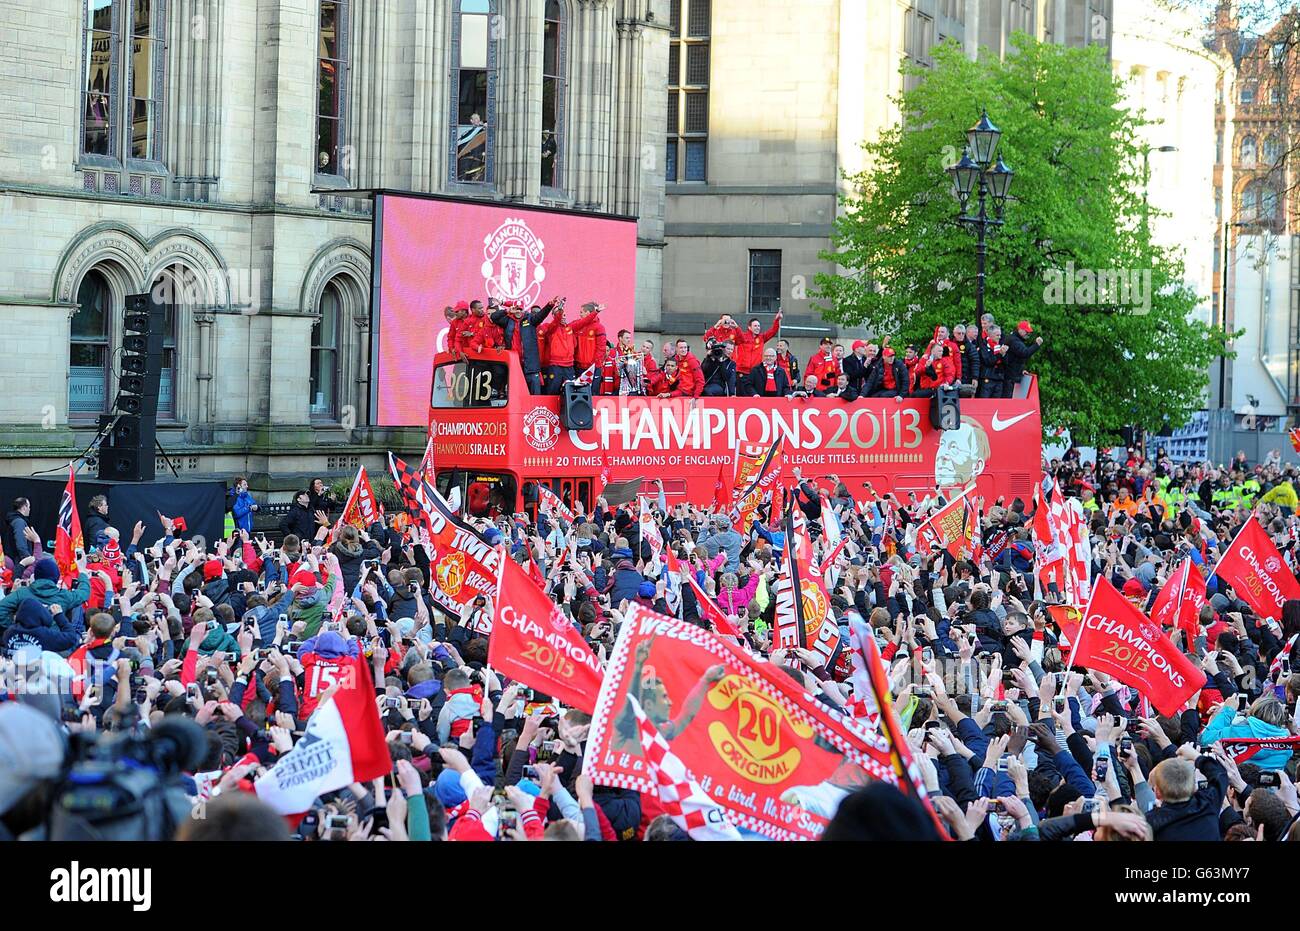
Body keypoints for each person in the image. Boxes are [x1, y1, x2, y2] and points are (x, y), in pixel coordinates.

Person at [492, 298, 555, 395]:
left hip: (530, 364)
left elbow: (541, 315)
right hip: (514, 364)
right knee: (516, 393)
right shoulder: (507, 321)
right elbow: (494, 317)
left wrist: (549, 305)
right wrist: (507, 310)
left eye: (520, 309)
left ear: (524, 310)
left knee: (534, 393)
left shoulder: (530, 319)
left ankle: (534, 410)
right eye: (516, 309)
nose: (518, 311)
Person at [539, 300, 600, 394]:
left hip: (569, 366)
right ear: (555, 316)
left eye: (564, 314)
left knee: (570, 391)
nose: (563, 316)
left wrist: (595, 312)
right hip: (556, 366)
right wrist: (559, 310)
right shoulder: (550, 328)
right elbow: (556, 322)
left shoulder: (570, 327)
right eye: (560, 314)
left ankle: (566, 408)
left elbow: (584, 321)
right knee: (552, 390)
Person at [1001, 319, 1042, 398]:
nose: (1028, 334)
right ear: (1020, 330)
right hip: (1009, 376)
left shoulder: (1016, 339)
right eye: (1026, 331)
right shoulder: (1014, 340)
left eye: (1029, 332)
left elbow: (1017, 357)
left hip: (1012, 375)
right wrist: (1037, 345)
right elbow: (1024, 353)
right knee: (1007, 399)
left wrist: (1022, 370)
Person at [978, 324, 1008, 398]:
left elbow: (1006, 363)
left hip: (999, 378)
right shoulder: (984, 346)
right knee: (985, 404)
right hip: (987, 378)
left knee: (996, 405)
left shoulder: (1000, 346)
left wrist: (1004, 355)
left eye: (1000, 335)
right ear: (990, 335)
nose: (999, 337)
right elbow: (988, 361)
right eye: (997, 335)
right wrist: (1000, 354)